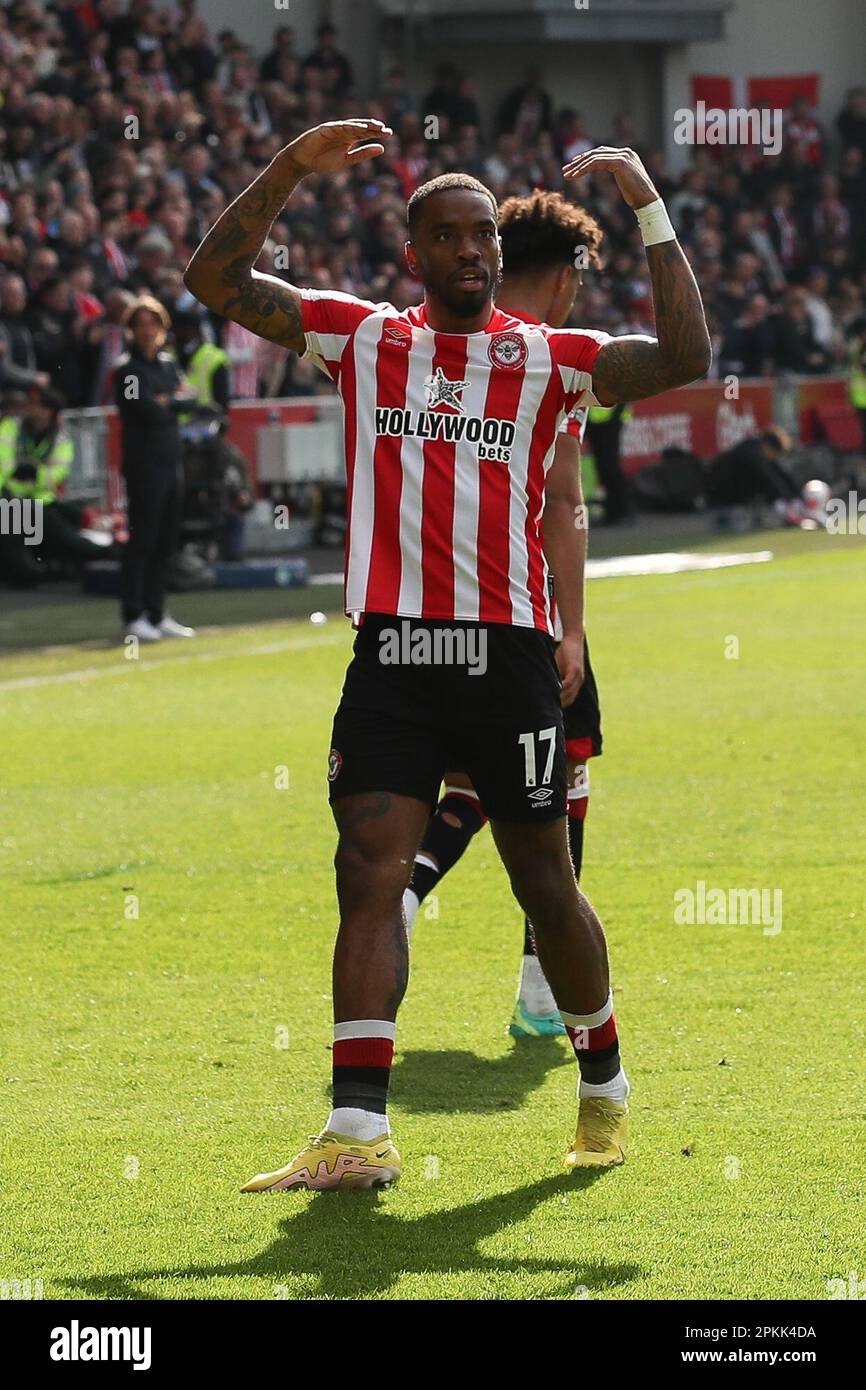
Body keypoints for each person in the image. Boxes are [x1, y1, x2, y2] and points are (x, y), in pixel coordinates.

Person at [182, 119, 711, 1191]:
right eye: (449, 236)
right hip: (390, 659)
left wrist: (647, 203)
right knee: (366, 876)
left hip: (507, 661)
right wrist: (289, 166)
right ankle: (356, 1131)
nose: (472, 251)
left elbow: (687, 358)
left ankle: (601, 1086)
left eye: (483, 235)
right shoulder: (364, 338)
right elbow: (215, 278)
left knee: (544, 886)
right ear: (413, 253)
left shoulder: (550, 359)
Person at [401, 189, 606, 1038]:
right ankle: (541, 989)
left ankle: (406, 893)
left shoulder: (423, 337)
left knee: (475, 778)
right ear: (564, 277)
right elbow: (562, 501)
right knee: (564, 780)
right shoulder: (550, 356)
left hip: (413, 618)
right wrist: (571, 626)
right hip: (520, 616)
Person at [113, 295, 197, 642]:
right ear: (132, 330)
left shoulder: (167, 365)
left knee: (165, 540)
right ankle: (133, 613)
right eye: (141, 324)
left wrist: (169, 401)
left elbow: (187, 400)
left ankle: (157, 610)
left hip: (170, 459)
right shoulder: (127, 369)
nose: (148, 331)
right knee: (142, 539)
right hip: (144, 462)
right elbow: (144, 409)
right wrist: (168, 402)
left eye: (153, 323)